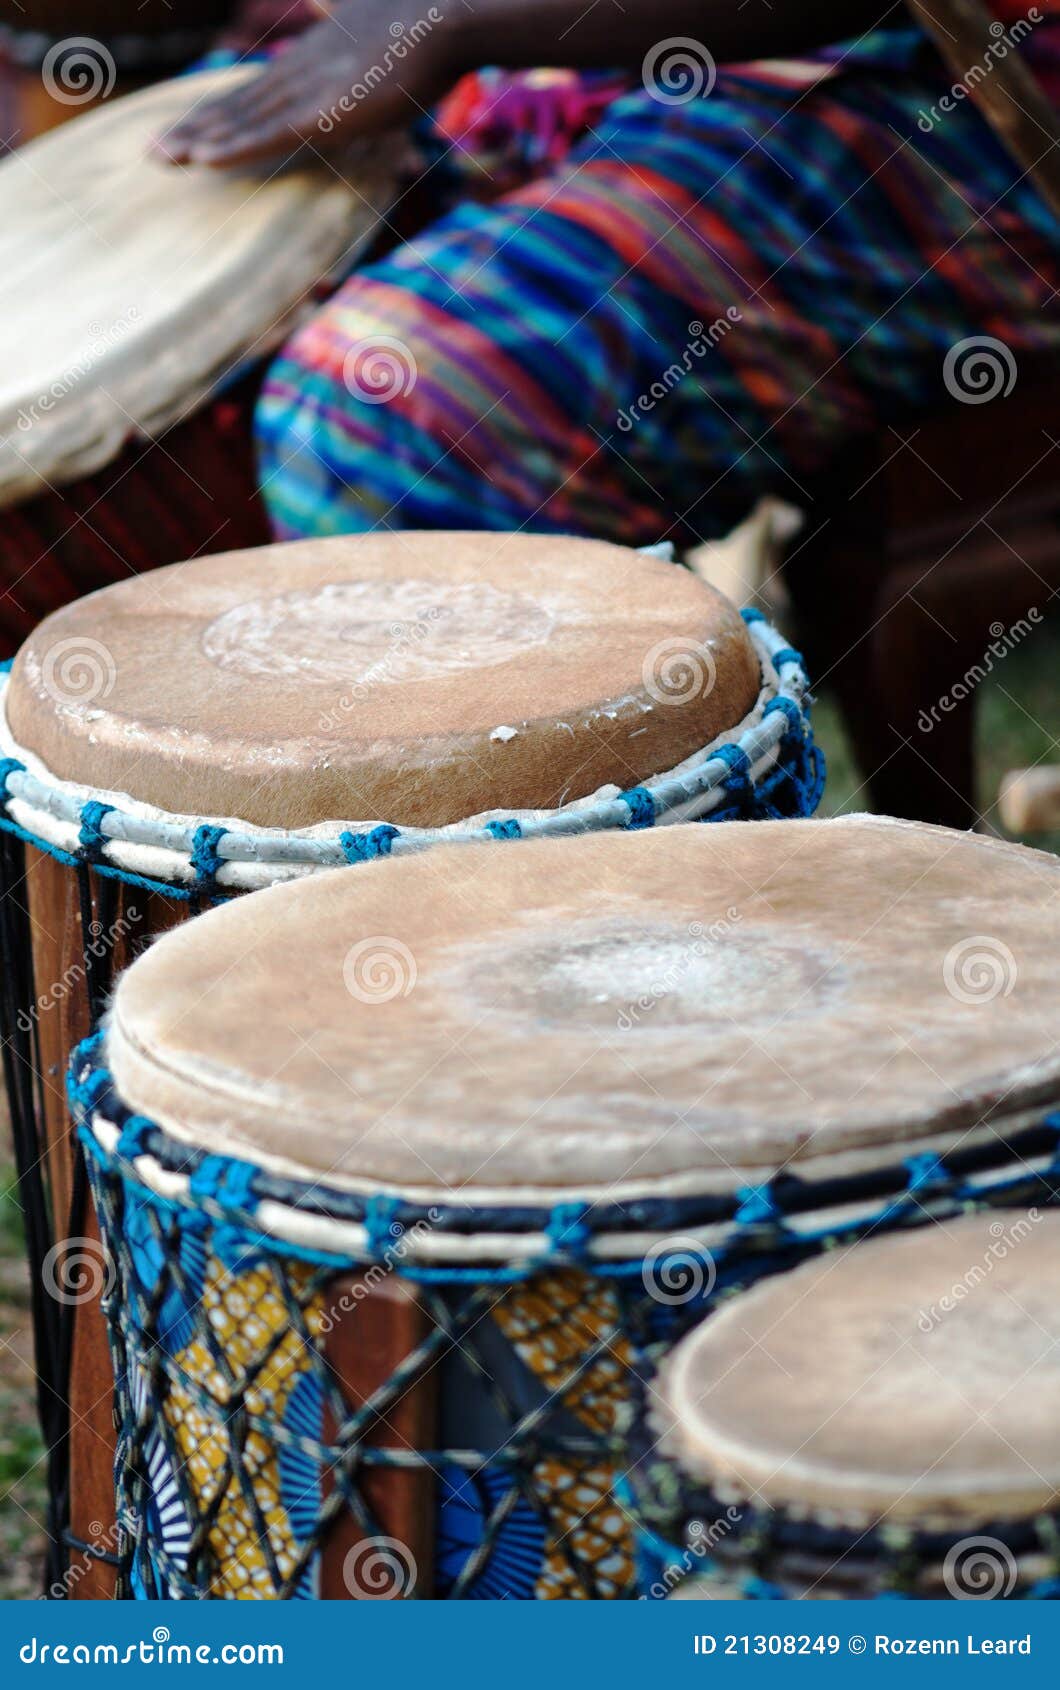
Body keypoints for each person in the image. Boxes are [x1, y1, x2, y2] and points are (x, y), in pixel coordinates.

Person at [154, 0, 1057, 548]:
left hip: (965, 90)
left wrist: (461, 19)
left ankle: (557, 856)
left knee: (386, 411)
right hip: (545, 59)